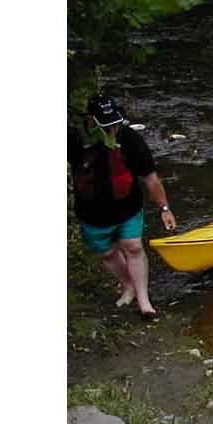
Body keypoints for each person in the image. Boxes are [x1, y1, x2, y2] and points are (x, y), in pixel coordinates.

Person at [68, 95, 177, 319]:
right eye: (107, 126)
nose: (113, 130)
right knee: (108, 252)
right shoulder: (73, 140)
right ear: (91, 120)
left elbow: (150, 178)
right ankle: (128, 285)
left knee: (133, 246)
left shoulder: (130, 139)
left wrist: (164, 209)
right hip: (92, 213)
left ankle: (144, 301)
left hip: (128, 207)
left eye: (116, 124)